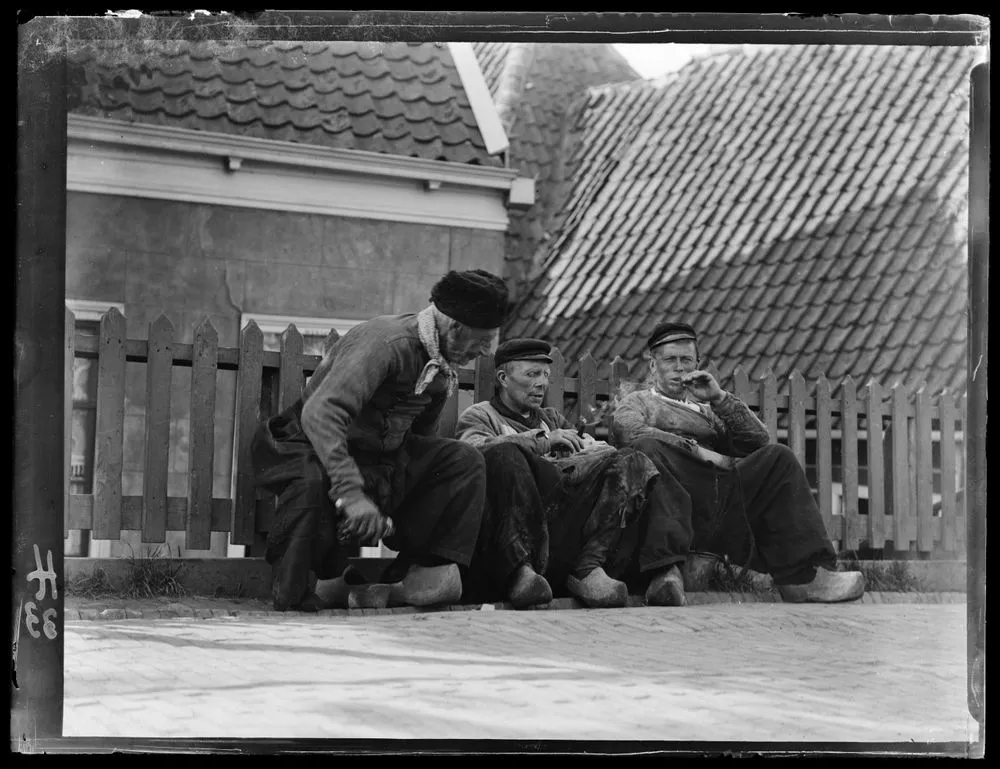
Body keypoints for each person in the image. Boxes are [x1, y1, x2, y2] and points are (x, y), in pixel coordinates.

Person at [251, 269, 511, 612]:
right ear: (454, 327)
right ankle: (305, 586)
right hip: (307, 442)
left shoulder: (439, 367)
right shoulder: (386, 343)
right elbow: (321, 415)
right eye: (482, 340)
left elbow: (417, 441)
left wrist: (381, 502)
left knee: (461, 460)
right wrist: (351, 495)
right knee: (311, 482)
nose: (486, 352)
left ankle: (417, 572)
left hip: (375, 455)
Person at [611, 321, 865, 603]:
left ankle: (804, 578)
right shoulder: (638, 402)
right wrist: (699, 452)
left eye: (686, 360)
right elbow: (629, 432)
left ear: (697, 364)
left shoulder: (707, 412)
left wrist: (719, 398)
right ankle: (665, 574)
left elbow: (757, 441)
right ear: (653, 366)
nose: (679, 368)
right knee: (646, 449)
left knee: (778, 458)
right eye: (670, 360)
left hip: (717, 501)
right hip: (670, 501)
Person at [455, 338, 691, 609]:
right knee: (506, 454)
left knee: (632, 460)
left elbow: (587, 456)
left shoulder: (552, 418)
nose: (542, 383)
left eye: (546, 375)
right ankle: (520, 573)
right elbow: (472, 452)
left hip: (561, 523)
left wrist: (595, 451)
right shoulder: (480, 415)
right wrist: (543, 442)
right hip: (514, 529)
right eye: (532, 374)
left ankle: (587, 568)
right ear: (503, 378)